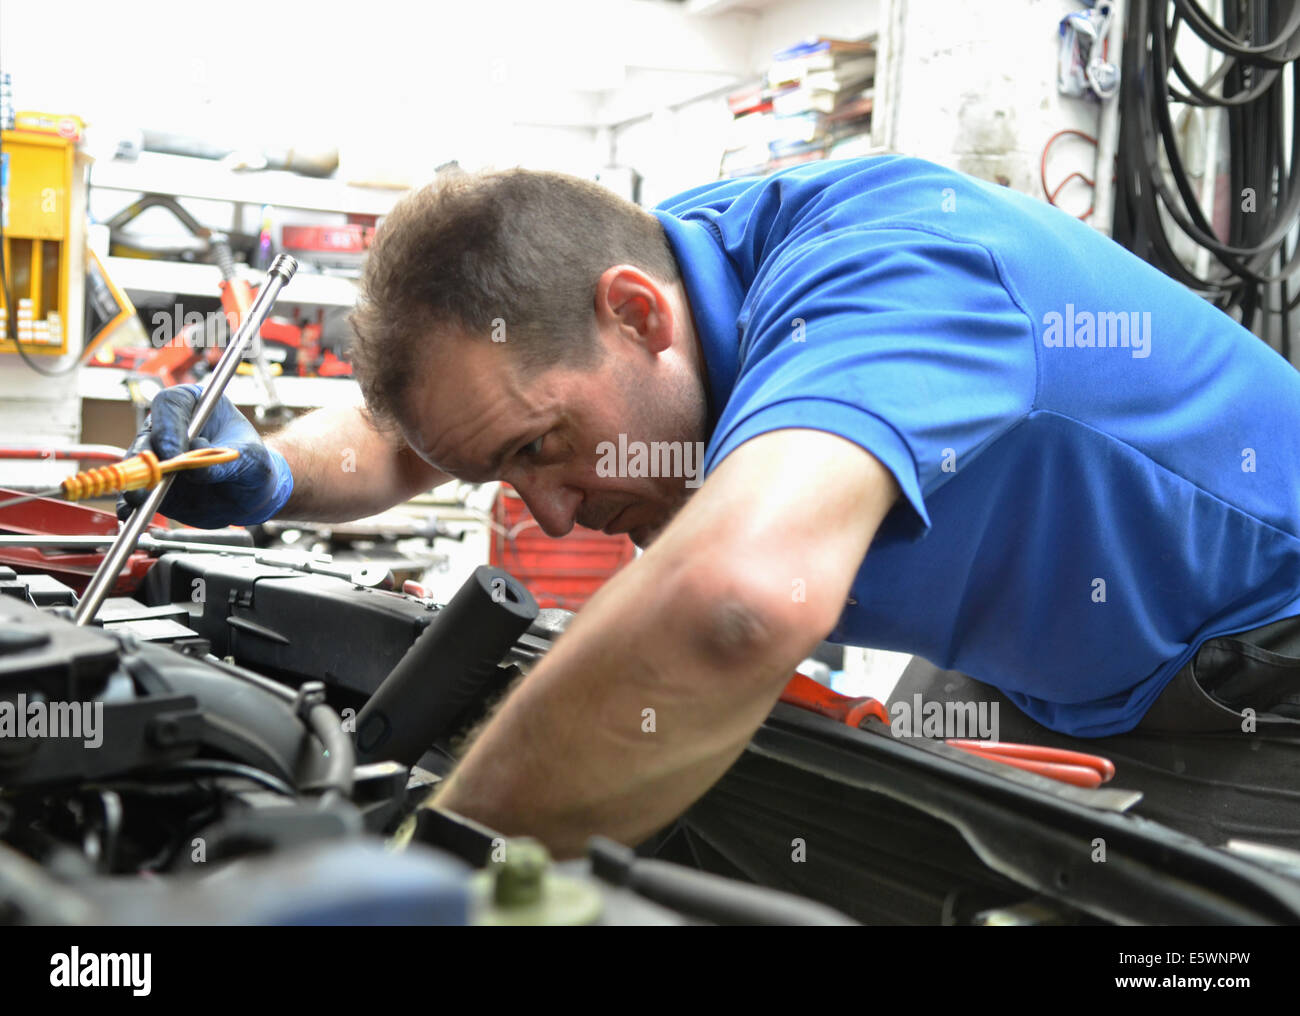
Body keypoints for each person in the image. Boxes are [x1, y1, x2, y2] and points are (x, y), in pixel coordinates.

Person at [123, 156, 1300, 856]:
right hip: (1037, 660)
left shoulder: (892, 276)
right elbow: (412, 433)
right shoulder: (647, 284)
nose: (551, 513)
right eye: (506, 476)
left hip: (1254, 667)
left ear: (637, 316)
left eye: (549, 449)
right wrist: (275, 473)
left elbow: (734, 601)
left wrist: (429, 865)